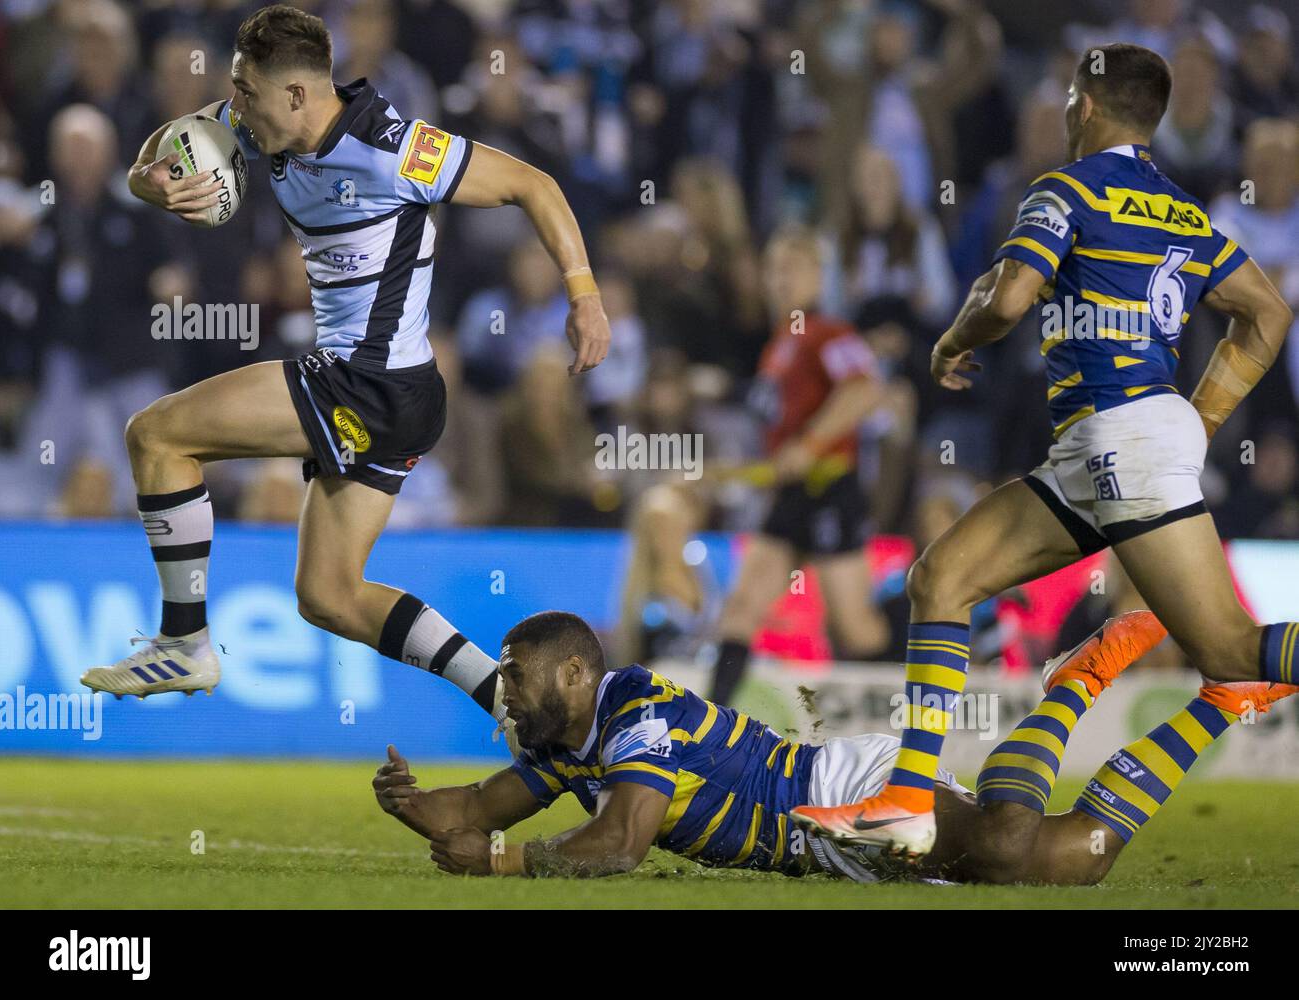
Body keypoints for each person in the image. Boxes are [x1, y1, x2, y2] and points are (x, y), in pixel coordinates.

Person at [790, 42, 1297, 857]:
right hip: (1099, 448)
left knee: (1235, 654)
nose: (1065, 110)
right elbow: (1267, 315)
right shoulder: (1183, 212)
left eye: (1069, 96)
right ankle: (907, 801)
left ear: (1087, 105)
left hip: (1120, 439)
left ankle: (915, 795)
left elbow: (1012, 297)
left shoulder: (1061, 189)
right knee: (941, 577)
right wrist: (1198, 420)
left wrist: (952, 341)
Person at [79, 5, 611, 721]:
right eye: (235, 91)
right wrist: (154, 184)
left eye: (247, 93)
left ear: (296, 94)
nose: (235, 107)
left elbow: (533, 185)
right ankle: (504, 698)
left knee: (156, 434)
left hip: (365, 382)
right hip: (398, 393)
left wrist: (584, 297)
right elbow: (167, 144)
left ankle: (183, 642)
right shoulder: (258, 123)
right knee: (329, 596)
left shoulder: (394, 147)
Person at [372, 608, 1295, 883]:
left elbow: (620, 846)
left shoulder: (639, 714)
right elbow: (476, 811)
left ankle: (1083, 685)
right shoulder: (564, 746)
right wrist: (414, 805)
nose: (508, 690)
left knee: (1032, 849)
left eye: (519, 674)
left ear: (575, 676)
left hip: (837, 790)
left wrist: (498, 867)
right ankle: (1214, 699)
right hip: (823, 847)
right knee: (1063, 857)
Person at [707, 224, 888, 707]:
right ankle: (706, 730)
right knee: (742, 607)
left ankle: (902, 729)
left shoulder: (830, 332)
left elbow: (867, 389)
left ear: (818, 275)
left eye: (794, 267)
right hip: (791, 495)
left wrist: (810, 445)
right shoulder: (778, 344)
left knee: (854, 627)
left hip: (831, 487)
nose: (781, 278)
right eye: (775, 268)